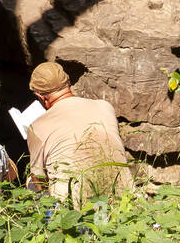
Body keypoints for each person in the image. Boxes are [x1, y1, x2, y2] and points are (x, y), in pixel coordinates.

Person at [25, 62, 132, 206]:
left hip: (76, 207)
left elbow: (39, 179)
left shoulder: (36, 126)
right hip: (122, 196)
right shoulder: (105, 107)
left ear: (40, 96)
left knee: (31, 182)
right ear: (68, 82)